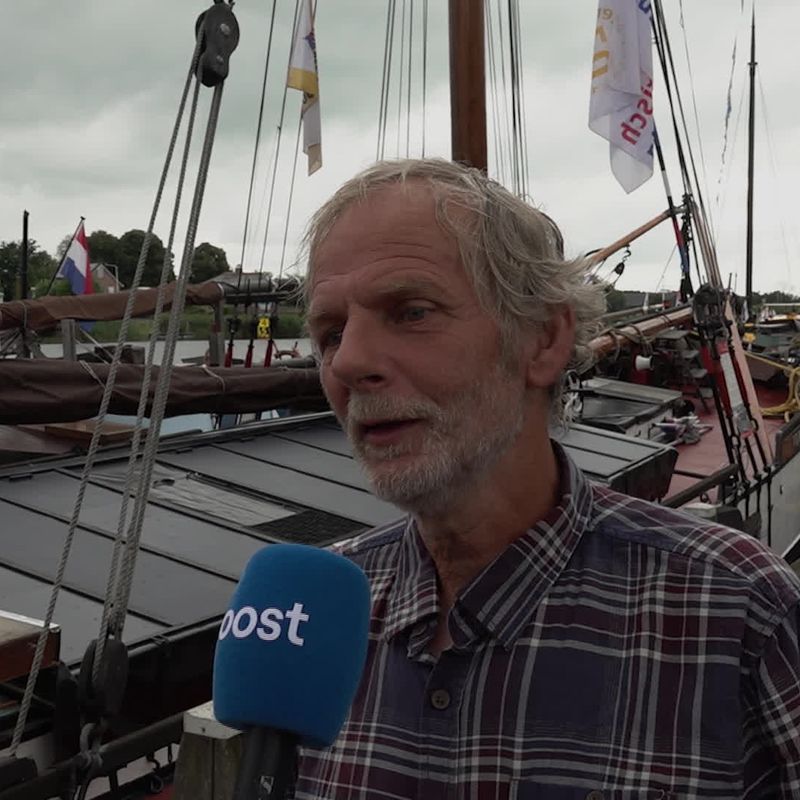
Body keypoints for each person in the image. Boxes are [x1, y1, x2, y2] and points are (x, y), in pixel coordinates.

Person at [294, 158, 800, 798]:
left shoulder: (739, 616)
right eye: (329, 333)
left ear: (544, 339)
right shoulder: (312, 618)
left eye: (412, 311)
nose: (350, 361)